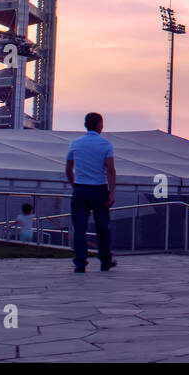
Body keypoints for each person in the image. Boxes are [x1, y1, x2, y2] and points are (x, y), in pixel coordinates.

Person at [65, 112, 117, 273]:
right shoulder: (105, 145)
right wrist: (112, 193)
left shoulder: (75, 143)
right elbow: (110, 170)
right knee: (102, 226)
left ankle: (80, 262)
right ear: (100, 124)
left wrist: (74, 184)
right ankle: (105, 260)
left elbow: (68, 168)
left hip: (80, 189)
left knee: (79, 227)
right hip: (99, 189)